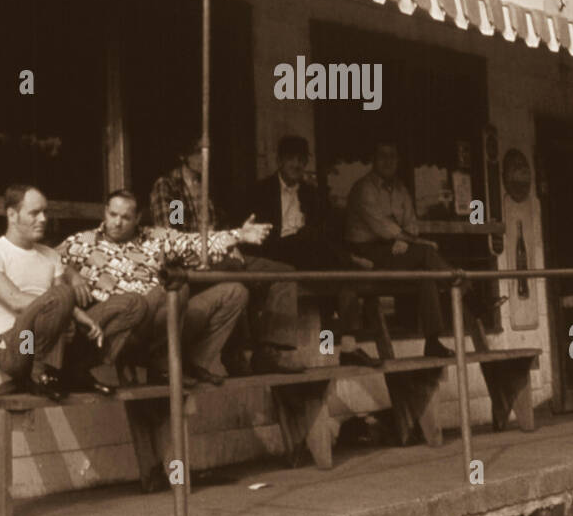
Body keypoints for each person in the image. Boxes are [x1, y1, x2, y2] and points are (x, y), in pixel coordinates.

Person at [60, 189, 274, 386]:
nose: (117, 222)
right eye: (113, 215)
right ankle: (163, 366)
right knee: (174, 287)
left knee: (234, 291)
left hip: (165, 319)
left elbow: (193, 242)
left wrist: (239, 235)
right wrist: (71, 275)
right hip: (125, 327)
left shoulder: (155, 237)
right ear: (105, 212)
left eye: (125, 217)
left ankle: (192, 363)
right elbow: (45, 262)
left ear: (137, 218)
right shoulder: (82, 242)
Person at [150, 135, 304, 375]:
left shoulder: (207, 187)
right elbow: (176, 237)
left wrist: (233, 240)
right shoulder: (170, 187)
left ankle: (271, 351)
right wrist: (222, 244)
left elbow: (221, 225)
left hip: (221, 254)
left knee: (284, 273)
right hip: (190, 261)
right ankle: (234, 353)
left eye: (208, 152)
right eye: (198, 152)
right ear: (184, 154)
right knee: (236, 279)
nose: (205, 159)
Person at [0, 184, 138, 400]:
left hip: (55, 348)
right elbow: (15, 301)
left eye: (45, 212)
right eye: (34, 213)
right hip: (20, 346)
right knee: (62, 295)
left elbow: (59, 304)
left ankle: (72, 370)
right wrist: (74, 312)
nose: (43, 219)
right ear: (12, 215)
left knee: (132, 304)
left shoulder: (50, 256)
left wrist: (66, 318)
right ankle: (37, 373)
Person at [247, 135, 381, 368]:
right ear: (279, 161)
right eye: (291, 159)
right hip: (275, 252)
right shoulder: (261, 191)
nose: (297, 165)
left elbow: (326, 233)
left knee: (345, 273)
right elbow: (256, 236)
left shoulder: (313, 194)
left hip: (308, 254)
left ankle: (349, 347)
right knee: (315, 240)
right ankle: (350, 259)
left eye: (302, 160)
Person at [344, 142, 458, 358]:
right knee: (426, 253)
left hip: (392, 250)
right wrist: (413, 241)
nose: (388, 161)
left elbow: (411, 223)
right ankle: (464, 290)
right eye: (383, 156)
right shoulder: (364, 188)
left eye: (393, 156)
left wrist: (405, 241)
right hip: (366, 254)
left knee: (426, 275)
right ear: (373, 159)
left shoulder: (400, 189)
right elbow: (382, 227)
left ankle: (432, 342)